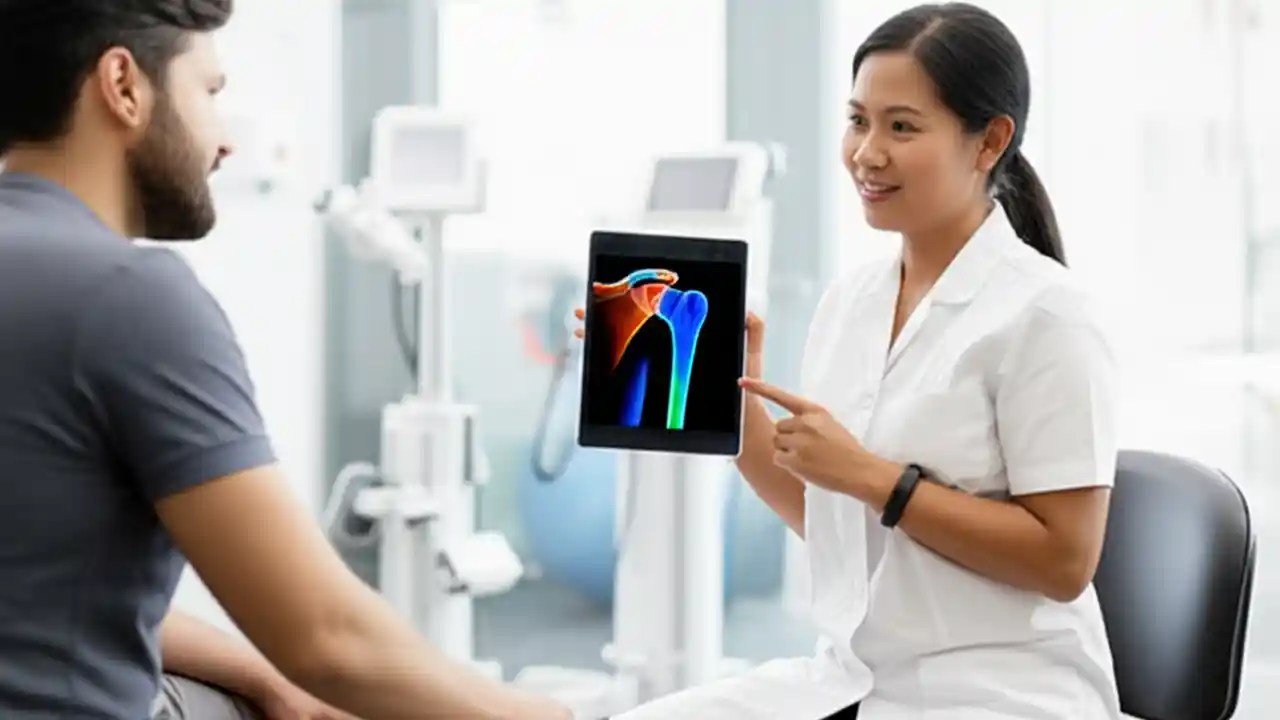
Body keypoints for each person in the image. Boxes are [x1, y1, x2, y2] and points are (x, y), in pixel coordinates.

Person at [0, 2, 572, 719]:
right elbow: (330, 642)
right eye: (210, 93)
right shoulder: (126, 294)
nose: (224, 141)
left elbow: (33, 592)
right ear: (123, 84)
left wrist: (268, 679)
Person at [582, 4, 1123, 718]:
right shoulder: (853, 301)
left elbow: (1064, 561)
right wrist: (729, 392)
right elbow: (833, 523)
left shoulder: (1047, 315)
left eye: (902, 126)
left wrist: (875, 480)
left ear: (989, 140)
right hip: (851, 679)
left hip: (998, 693)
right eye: (858, 120)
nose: (868, 152)